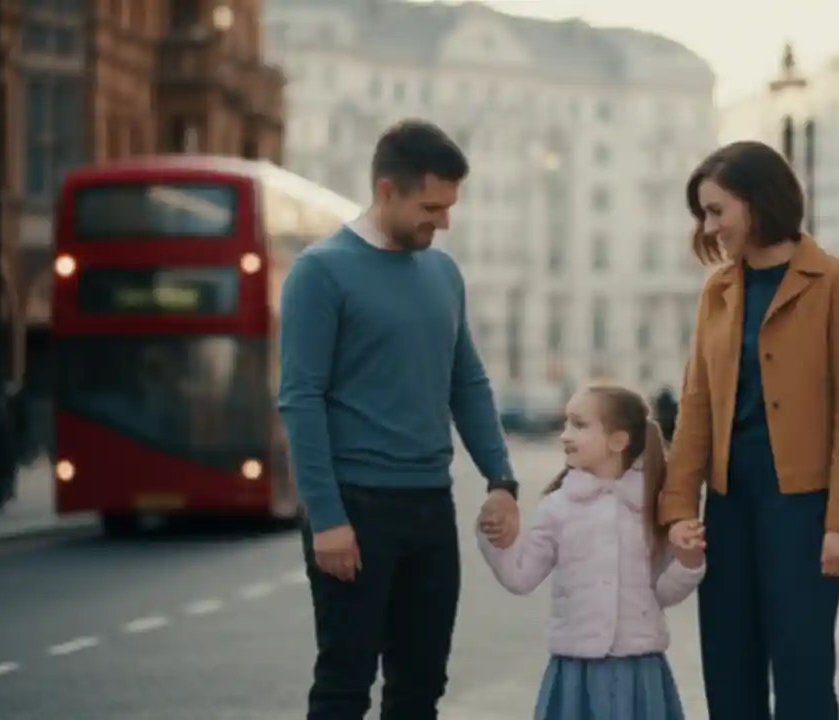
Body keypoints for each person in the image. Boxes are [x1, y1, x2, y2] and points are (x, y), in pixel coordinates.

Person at [278, 119, 521, 720]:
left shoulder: (443, 273)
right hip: (356, 510)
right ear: (387, 190)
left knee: (420, 688)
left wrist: (502, 480)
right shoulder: (321, 272)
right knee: (344, 685)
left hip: (430, 507)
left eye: (449, 207)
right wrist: (327, 517)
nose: (443, 223)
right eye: (431, 207)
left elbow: (466, 382)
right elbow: (301, 398)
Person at [660, 140, 839, 719]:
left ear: (757, 203)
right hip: (727, 508)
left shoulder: (838, 283)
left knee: (803, 676)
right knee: (729, 673)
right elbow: (696, 406)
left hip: (802, 510)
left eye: (716, 211)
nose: (709, 228)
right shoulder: (718, 291)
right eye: (703, 214)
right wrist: (679, 507)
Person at [477, 383, 706, 720]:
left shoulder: (651, 506)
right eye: (567, 424)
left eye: (580, 425)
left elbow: (664, 592)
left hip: (639, 673)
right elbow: (520, 577)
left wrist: (688, 560)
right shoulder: (556, 508)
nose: (565, 435)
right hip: (576, 673)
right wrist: (495, 538)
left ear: (618, 441)